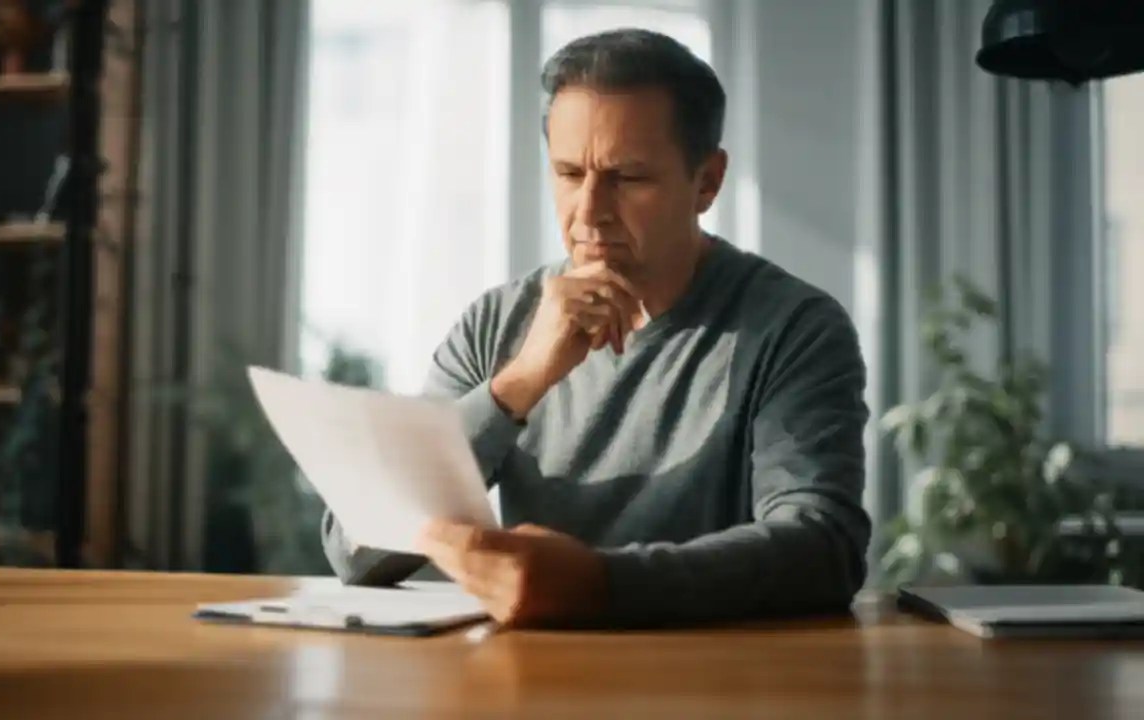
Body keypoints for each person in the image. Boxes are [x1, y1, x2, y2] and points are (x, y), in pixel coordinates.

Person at [321, 28, 870, 628]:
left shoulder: (794, 329)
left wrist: (598, 585)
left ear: (708, 181)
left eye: (627, 178)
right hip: (529, 671)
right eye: (568, 173)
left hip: (710, 671)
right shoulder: (494, 326)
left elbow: (823, 546)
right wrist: (517, 385)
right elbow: (357, 551)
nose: (588, 212)